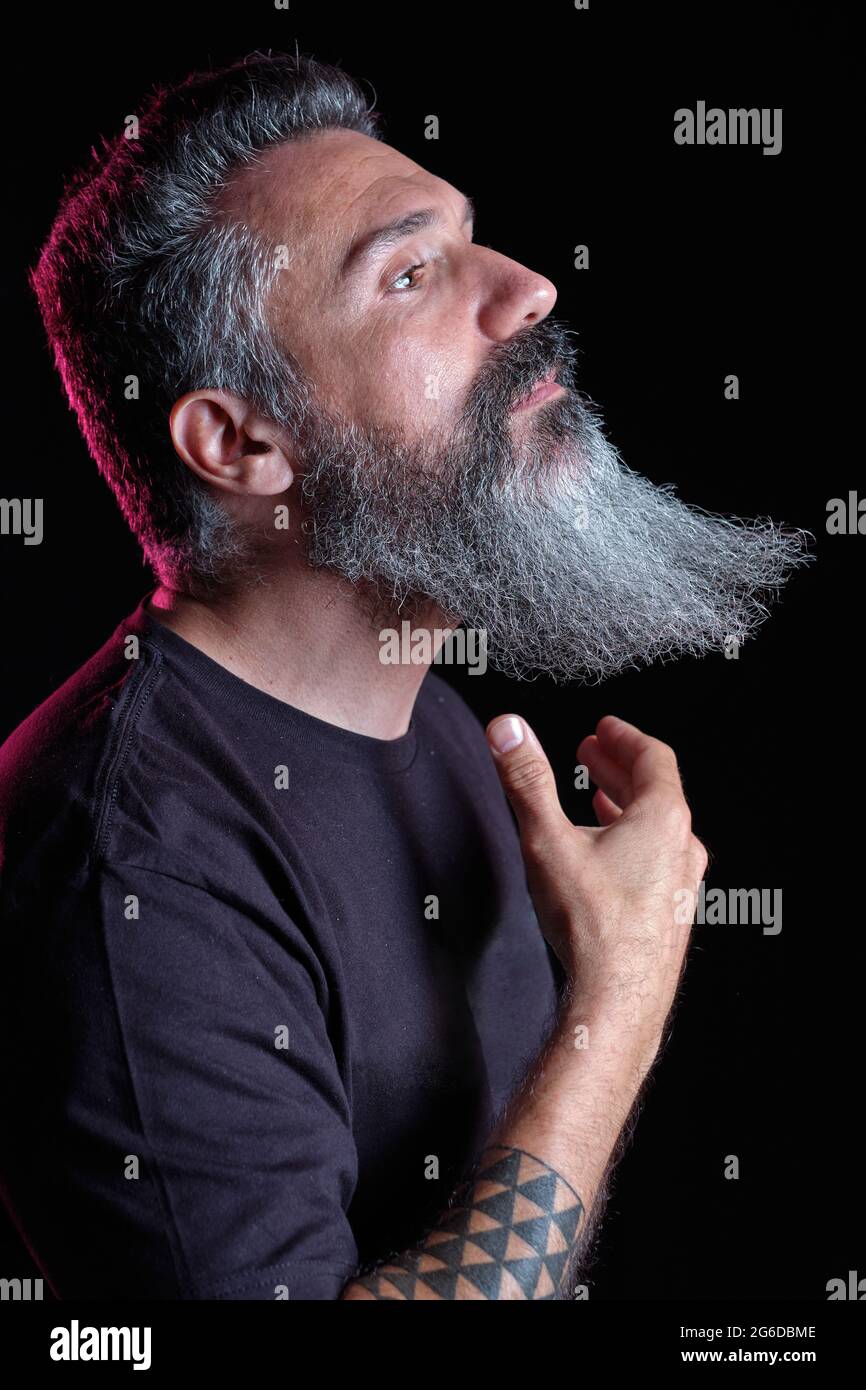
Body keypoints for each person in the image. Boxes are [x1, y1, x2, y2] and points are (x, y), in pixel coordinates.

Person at [0, 50, 810, 1300]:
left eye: (472, 241)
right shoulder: (129, 861)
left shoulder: (432, 723)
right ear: (240, 441)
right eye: (410, 274)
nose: (528, 290)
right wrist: (623, 991)